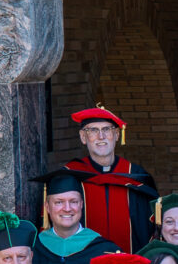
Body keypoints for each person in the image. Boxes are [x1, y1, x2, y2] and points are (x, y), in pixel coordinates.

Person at [63, 105, 159, 252]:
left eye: (107, 129)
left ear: (117, 135)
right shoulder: (70, 176)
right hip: (82, 263)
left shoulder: (137, 176)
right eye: (93, 130)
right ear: (83, 137)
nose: (101, 136)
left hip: (130, 263)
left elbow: (152, 226)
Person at [17, 169, 120, 264]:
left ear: (81, 205)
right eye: (59, 202)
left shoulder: (106, 250)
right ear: (47, 207)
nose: (67, 208)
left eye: (73, 202)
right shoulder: (33, 248)